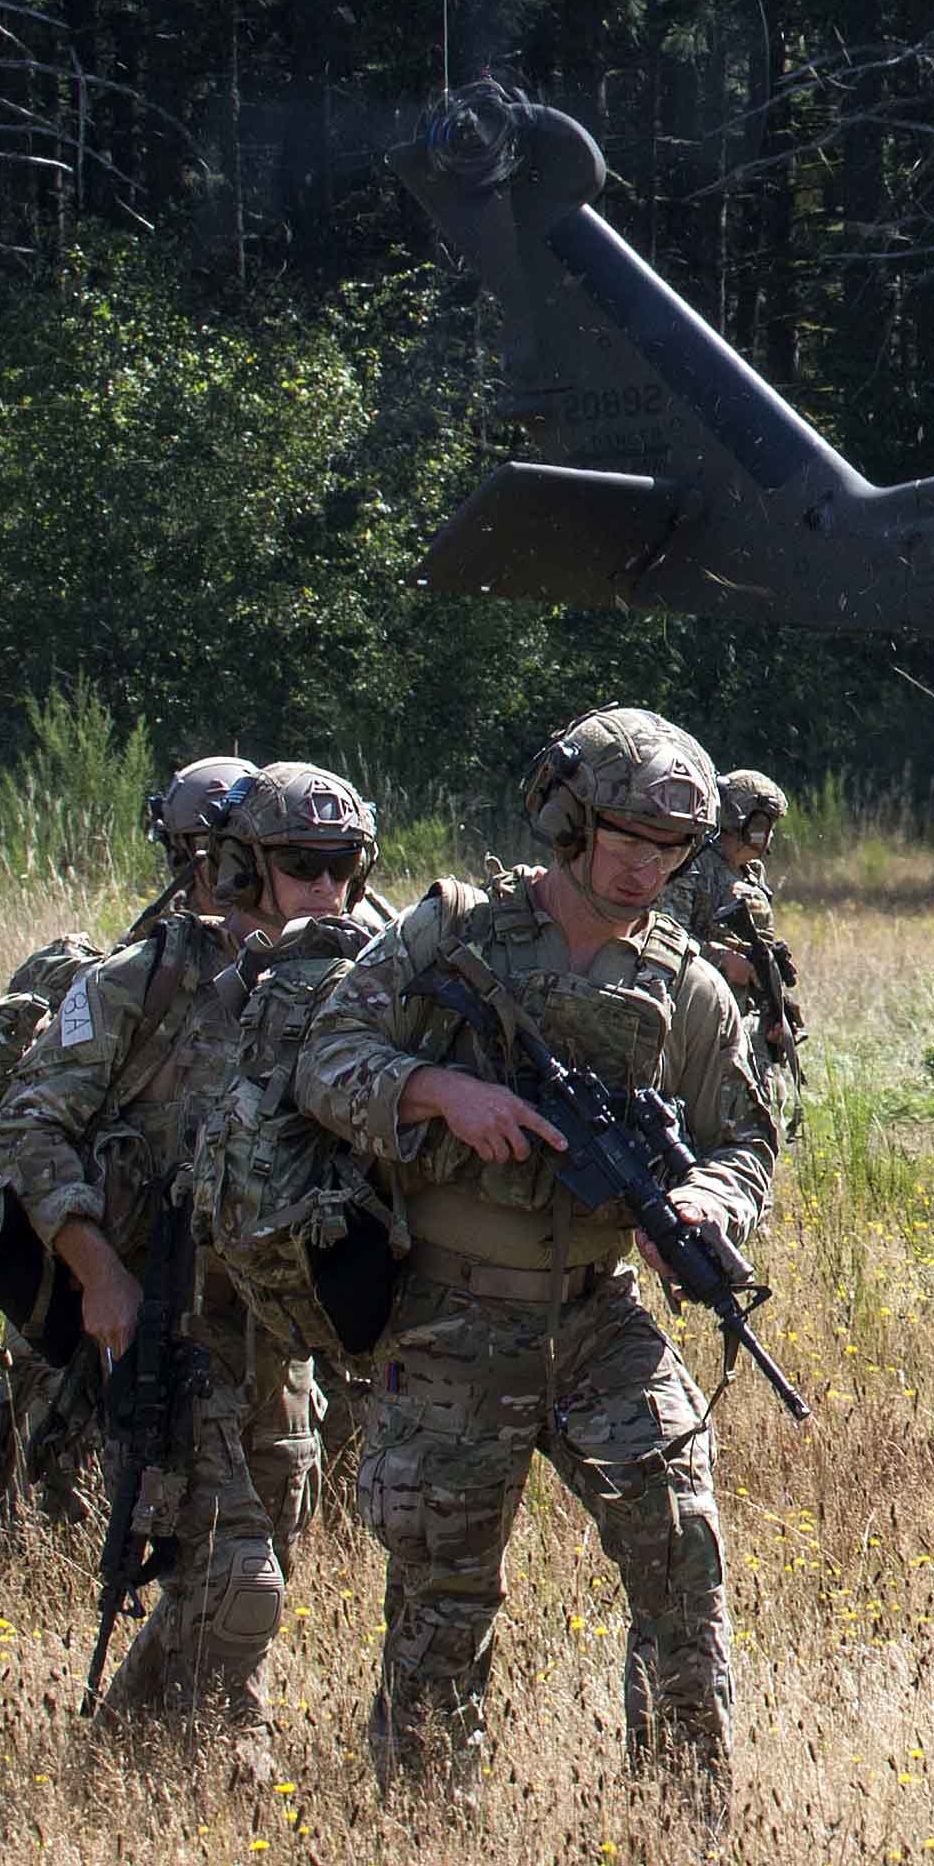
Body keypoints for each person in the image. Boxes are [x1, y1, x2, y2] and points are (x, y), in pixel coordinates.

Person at [296, 706, 779, 1794]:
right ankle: (425, 1823)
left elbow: (745, 1138)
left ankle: (681, 1812)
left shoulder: (684, 982)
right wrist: (439, 1090)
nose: (645, 868)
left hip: (598, 1310)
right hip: (453, 1315)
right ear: (569, 818)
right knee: (442, 1586)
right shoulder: (455, 931)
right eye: (627, 838)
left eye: (670, 850)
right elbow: (326, 1055)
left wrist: (705, 1202)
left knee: (681, 1549)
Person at [0, 760, 380, 1758]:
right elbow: (27, 1121)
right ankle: (220, 1753)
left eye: (343, 866)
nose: (325, 889)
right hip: (172, 1317)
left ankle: (124, 1746)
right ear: (244, 871)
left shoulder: (367, 988)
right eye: (300, 865)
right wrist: (96, 1270)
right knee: (240, 1575)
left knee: (245, 1558)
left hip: (286, 1332)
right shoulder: (146, 982)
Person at [0, 752, 255, 1539]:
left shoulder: (327, 971)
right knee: (63, 1493)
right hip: (107, 1277)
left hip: (238, 1293)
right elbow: (24, 1129)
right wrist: (98, 1274)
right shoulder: (130, 983)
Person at [667, 769, 804, 1109]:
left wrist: (775, 1008)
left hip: (747, 1012)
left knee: (761, 1102)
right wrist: (721, 959)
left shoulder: (752, 874)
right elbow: (665, 935)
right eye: (761, 825)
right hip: (700, 1012)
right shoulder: (694, 868)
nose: (767, 836)